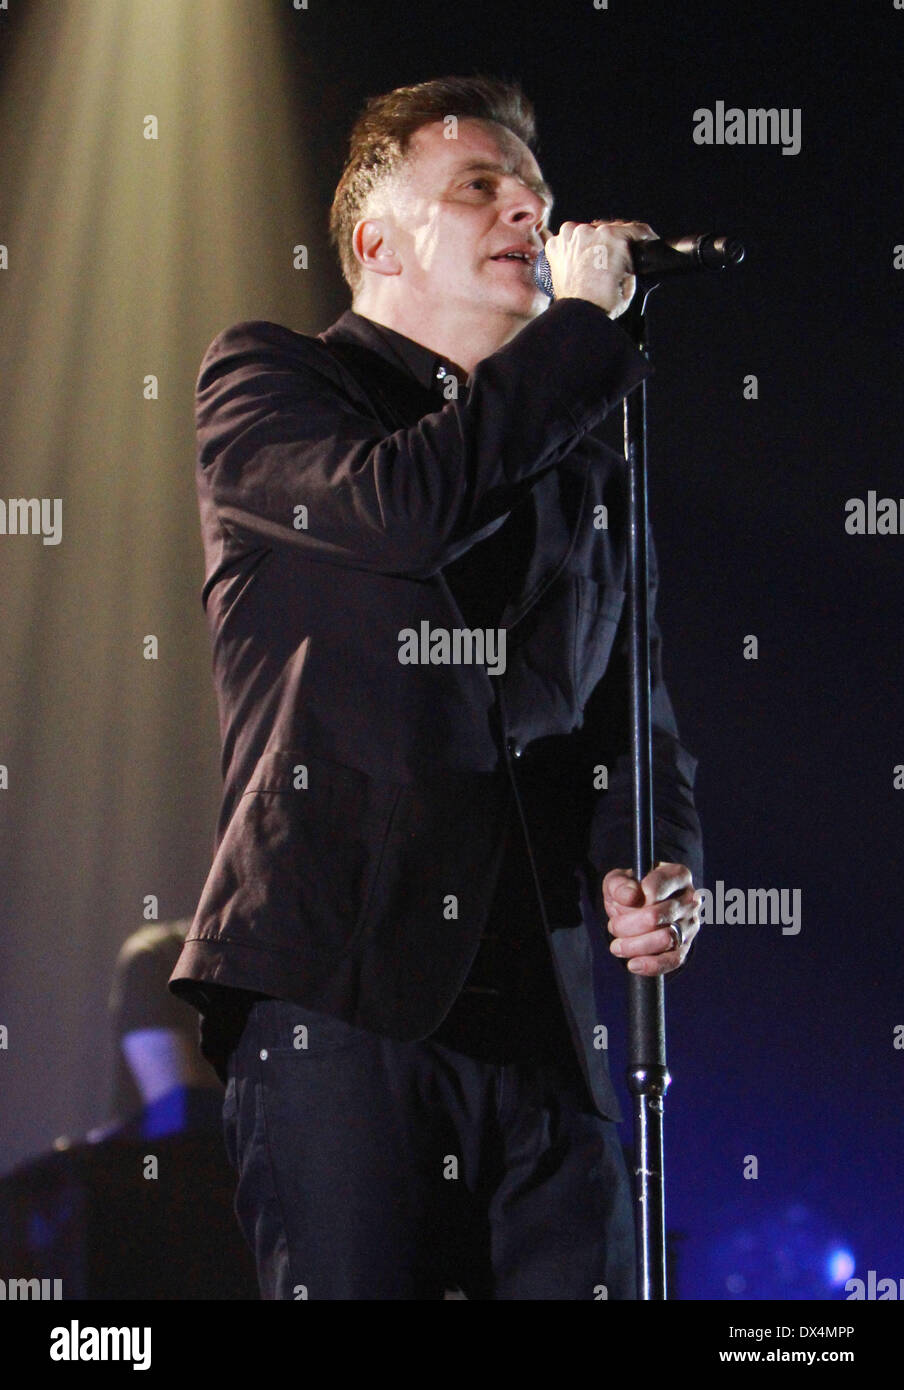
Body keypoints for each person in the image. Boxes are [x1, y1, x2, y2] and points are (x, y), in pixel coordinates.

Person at [169, 74, 704, 1301]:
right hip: (340, 996)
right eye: (482, 187)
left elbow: (635, 714)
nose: (530, 211)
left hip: (539, 1015)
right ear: (374, 241)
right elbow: (406, 513)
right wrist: (582, 331)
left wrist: (654, 864)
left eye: (540, 195)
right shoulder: (270, 385)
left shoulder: (582, 462)